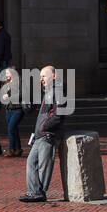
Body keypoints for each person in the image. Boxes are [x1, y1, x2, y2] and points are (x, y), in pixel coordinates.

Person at [20, 65, 64, 202]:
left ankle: (39, 192)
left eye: (44, 76)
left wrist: (44, 127)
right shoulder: (48, 92)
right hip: (40, 134)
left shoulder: (59, 91)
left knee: (44, 165)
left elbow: (58, 115)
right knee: (31, 163)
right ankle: (34, 191)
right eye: (40, 77)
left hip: (47, 134)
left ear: (54, 76)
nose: (41, 79)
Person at [1, 67, 28, 157]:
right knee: (14, 129)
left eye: (8, 73)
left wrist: (9, 95)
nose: (6, 75)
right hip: (9, 109)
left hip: (18, 109)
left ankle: (11, 149)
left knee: (11, 128)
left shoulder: (20, 82)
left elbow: (22, 94)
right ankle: (18, 149)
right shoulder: (7, 83)